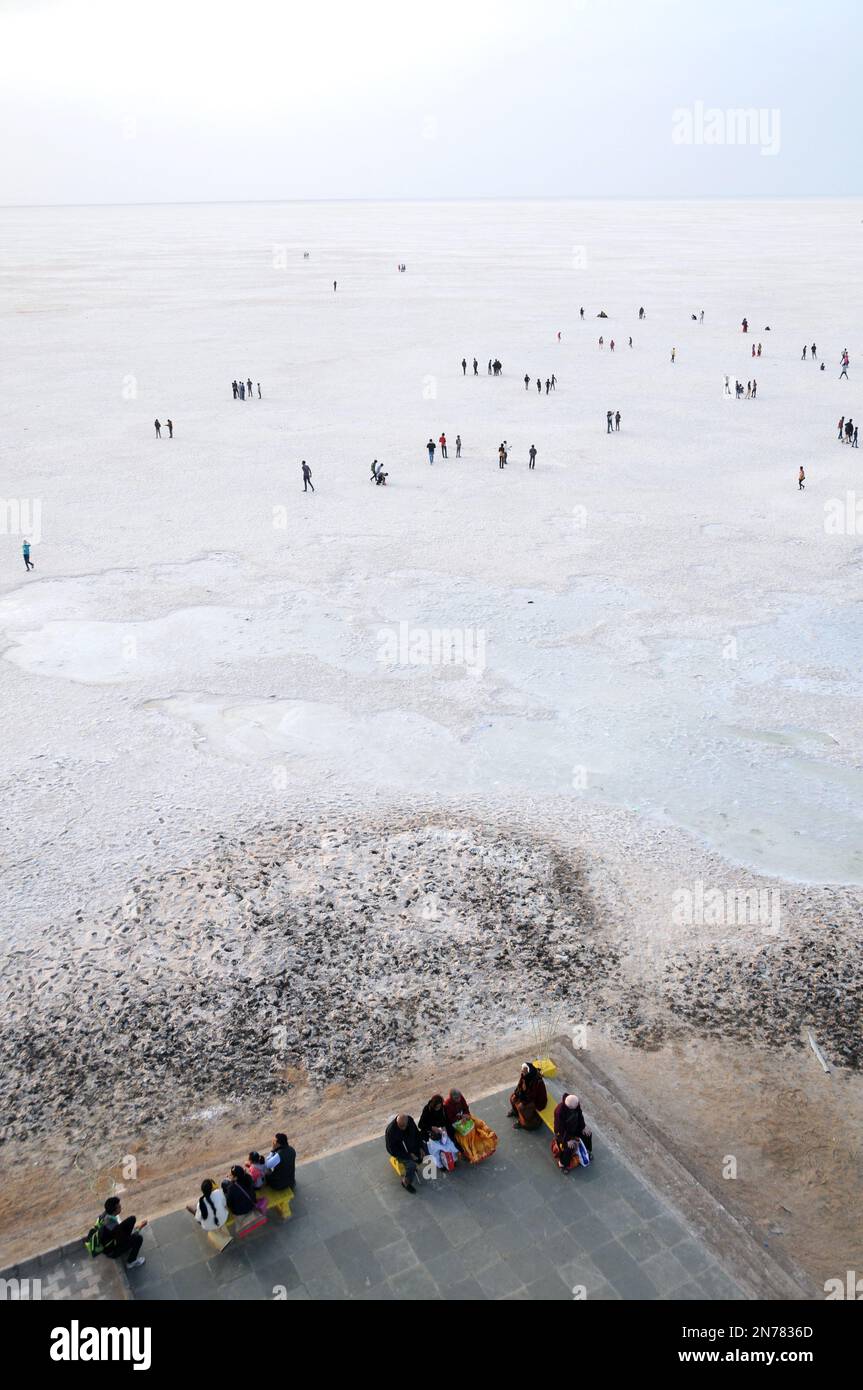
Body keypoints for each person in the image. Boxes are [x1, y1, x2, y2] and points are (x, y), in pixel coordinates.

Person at [443, 1089, 498, 1163]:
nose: (459, 1099)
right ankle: (469, 1151)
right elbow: (450, 1118)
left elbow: (465, 1107)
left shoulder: (460, 1097)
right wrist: (460, 1118)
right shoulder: (447, 1104)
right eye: (456, 1099)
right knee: (468, 1135)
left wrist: (466, 1115)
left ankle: (482, 1143)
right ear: (452, 1098)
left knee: (478, 1124)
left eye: (459, 1097)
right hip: (456, 1124)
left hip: (464, 1117)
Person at [98, 1196, 147, 1269]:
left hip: (110, 1238)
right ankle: (131, 1262)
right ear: (114, 1211)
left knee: (132, 1219)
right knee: (138, 1238)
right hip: (111, 1251)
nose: (120, 1206)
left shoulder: (104, 1215)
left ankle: (129, 1243)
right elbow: (122, 1239)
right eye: (118, 1206)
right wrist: (139, 1228)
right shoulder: (113, 1225)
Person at [385, 1113, 425, 1193]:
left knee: (423, 1154)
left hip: (412, 1147)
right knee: (411, 1165)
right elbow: (392, 1150)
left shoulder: (409, 1120)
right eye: (401, 1126)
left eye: (404, 1125)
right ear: (397, 1122)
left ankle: (415, 1165)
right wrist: (409, 1156)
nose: (403, 1128)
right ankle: (406, 1182)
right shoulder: (391, 1131)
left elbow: (417, 1134)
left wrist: (421, 1147)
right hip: (401, 1152)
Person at [551, 1093, 593, 1171]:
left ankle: (587, 1150)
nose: (578, 1105)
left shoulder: (575, 1104)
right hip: (563, 1134)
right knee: (570, 1147)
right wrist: (568, 1140)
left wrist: (583, 1127)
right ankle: (563, 1164)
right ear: (570, 1107)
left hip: (575, 1127)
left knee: (587, 1134)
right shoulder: (559, 1112)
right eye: (576, 1105)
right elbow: (560, 1129)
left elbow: (580, 1115)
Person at [418, 1095, 460, 1171]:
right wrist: (432, 1127)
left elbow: (445, 1120)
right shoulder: (427, 1109)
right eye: (437, 1107)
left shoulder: (442, 1108)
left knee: (448, 1144)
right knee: (436, 1150)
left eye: (439, 1107)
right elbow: (421, 1124)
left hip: (441, 1132)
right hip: (431, 1134)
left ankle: (451, 1160)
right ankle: (440, 1165)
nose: (438, 1108)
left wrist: (444, 1127)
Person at [507, 1062, 548, 1130]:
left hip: (537, 1101)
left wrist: (522, 1099)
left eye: (524, 1071)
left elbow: (532, 1096)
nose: (522, 1072)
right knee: (512, 1097)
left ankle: (523, 1122)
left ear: (529, 1072)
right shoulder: (524, 1075)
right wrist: (516, 1094)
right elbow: (519, 1086)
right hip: (527, 1096)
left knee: (521, 1107)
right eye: (522, 1070)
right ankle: (515, 1112)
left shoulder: (537, 1081)